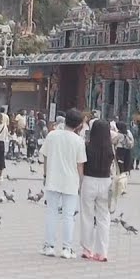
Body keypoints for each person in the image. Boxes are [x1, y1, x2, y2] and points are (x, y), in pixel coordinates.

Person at [40, 109, 87, 259]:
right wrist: (81, 182)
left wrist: (46, 174)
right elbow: (80, 164)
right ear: (79, 125)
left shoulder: (52, 135)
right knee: (68, 215)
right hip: (71, 181)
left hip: (53, 178)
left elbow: (45, 157)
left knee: (52, 213)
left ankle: (49, 246)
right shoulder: (79, 141)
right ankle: (67, 248)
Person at [79, 118, 114, 262]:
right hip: (105, 182)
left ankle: (87, 249)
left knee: (87, 216)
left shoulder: (87, 147)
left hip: (89, 181)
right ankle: (102, 252)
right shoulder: (110, 149)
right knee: (104, 217)